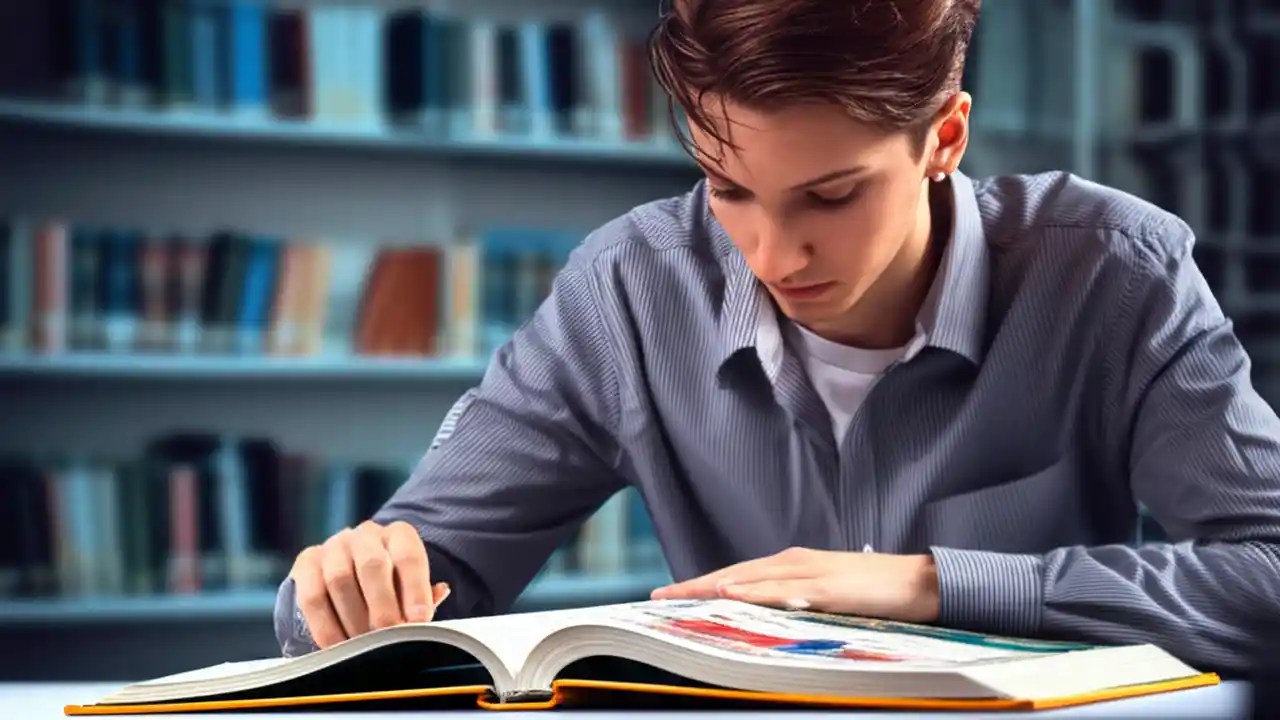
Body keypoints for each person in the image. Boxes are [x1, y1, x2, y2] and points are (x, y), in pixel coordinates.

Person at [274, 0, 1280, 674]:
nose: (770, 251)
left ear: (944, 136)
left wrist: (926, 586)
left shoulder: (1111, 270)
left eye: (831, 196)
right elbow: (411, 572)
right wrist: (347, 588)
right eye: (729, 190)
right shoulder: (630, 289)